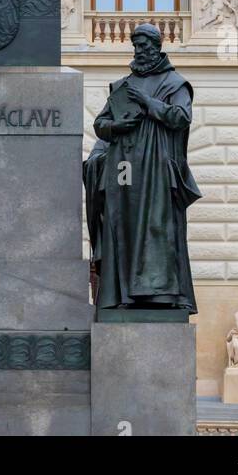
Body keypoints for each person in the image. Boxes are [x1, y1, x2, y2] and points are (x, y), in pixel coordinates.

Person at [84, 23, 201, 312]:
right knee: (122, 229)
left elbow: (181, 117)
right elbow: (100, 124)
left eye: (145, 45)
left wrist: (149, 104)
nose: (140, 50)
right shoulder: (123, 85)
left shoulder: (175, 83)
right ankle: (122, 296)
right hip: (123, 172)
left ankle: (159, 294)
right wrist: (116, 126)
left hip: (156, 171)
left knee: (156, 230)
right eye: (136, 45)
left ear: (157, 46)